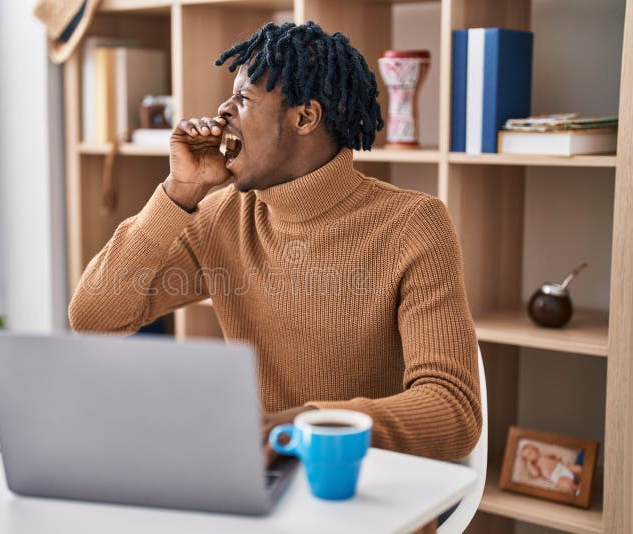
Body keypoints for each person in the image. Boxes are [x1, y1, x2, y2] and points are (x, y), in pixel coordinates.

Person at [69, 20, 482, 463]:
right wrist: (178, 192)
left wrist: (309, 423)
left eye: (243, 99)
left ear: (305, 117)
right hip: (263, 476)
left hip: (368, 487)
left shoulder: (413, 224)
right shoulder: (221, 216)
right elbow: (93, 317)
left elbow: (453, 411)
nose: (222, 111)